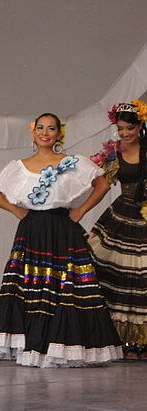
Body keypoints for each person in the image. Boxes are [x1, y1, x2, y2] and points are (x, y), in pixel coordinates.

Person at [0, 112, 122, 367]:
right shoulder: (19, 166)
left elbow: (102, 183)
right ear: (33, 132)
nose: (45, 132)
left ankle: (65, 348)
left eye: (51, 128)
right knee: (33, 287)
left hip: (62, 228)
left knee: (66, 286)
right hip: (32, 229)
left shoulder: (72, 162)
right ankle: (33, 347)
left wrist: (81, 210)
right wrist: (15, 209)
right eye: (41, 128)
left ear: (59, 134)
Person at [87, 100, 147, 359]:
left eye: (129, 128)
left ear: (140, 126)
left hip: (144, 216)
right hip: (122, 217)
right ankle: (123, 340)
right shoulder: (113, 153)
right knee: (119, 276)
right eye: (120, 128)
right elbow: (96, 182)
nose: (124, 133)